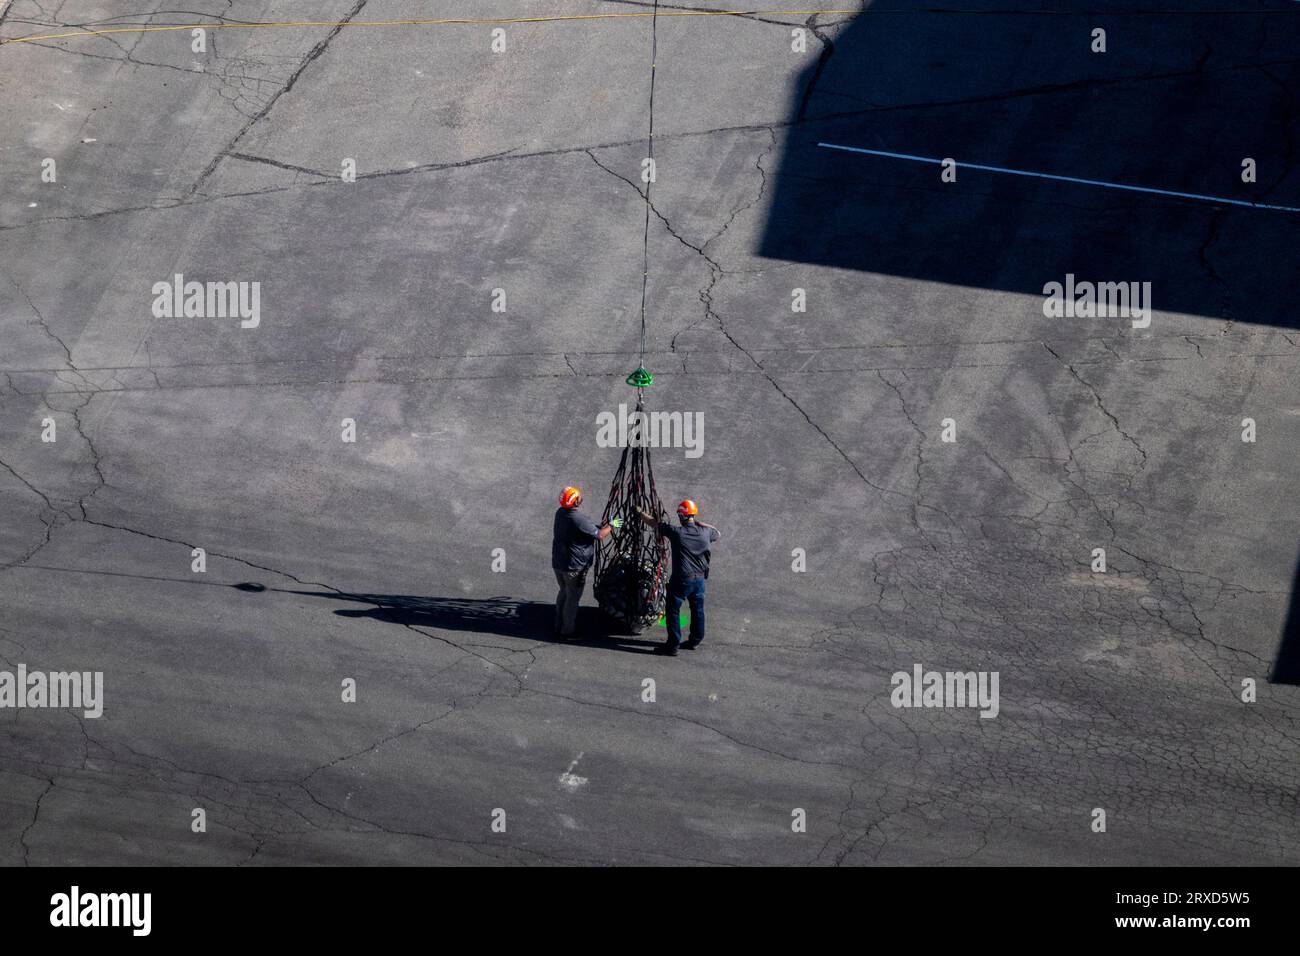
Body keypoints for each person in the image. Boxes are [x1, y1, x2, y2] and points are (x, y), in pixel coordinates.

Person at [638, 499, 720, 656]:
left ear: (682, 516)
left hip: (682, 580)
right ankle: (695, 640)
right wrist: (700, 523)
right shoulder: (706, 533)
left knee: (673, 610)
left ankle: (673, 645)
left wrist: (640, 513)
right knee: (698, 609)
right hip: (699, 580)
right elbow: (717, 532)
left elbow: (654, 523)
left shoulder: (677, 533)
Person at [552, 486, 613, 637]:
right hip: (574, 568)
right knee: (572, 599)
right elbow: (599, 535)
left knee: (564, 592)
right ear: (575, 501)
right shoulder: (578, 519)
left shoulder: (560, 513)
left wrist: (601, 526)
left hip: (559, 564)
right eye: (578, 497)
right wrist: (612, 525)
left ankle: (558, 623)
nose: (581, 498)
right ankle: (567, 632)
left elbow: (584, 530)